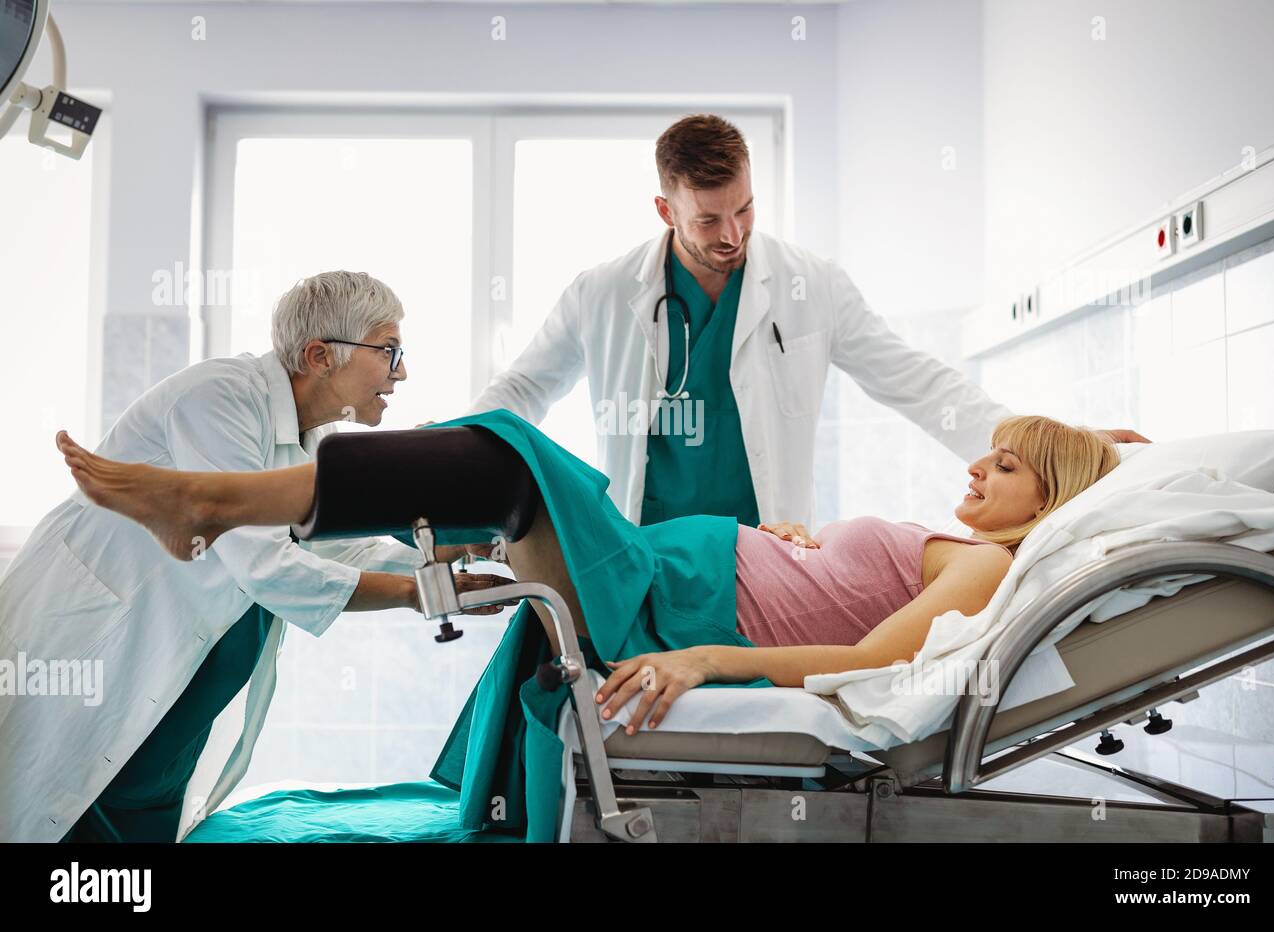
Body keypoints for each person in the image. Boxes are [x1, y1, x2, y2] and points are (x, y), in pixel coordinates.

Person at [53, 411, 1117, 738]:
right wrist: (797, 538)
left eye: (1009, 464)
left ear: (1051, 498)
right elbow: (853, 592)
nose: (975, 466)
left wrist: (706, 655)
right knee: (486, 485)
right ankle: (214, 508)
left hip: (673, 599)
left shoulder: (983, 562)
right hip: (676, 568)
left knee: (505, 464)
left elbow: (874, 655)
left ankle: (204, 503)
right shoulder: (958, 539)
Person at [0, 270, 506, 843]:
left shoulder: (313, 439)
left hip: (179, 679)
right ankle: (192, 504)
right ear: (320, 355)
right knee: (71, 822)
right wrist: (421, 593)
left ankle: (197, 505)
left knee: (138, 820)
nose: (403, 370)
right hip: (97, 653)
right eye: (389, 351)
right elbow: (264, 564)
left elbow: (336, 545)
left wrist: (445, 564)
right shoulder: (219, 397)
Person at [469, 113, 1147, 529]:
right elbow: (524, 389)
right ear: (664, 210)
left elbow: (917, 383)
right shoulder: (602, 291)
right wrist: (445, 461)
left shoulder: (809, 285)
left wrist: (1047, 446)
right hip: (644, 545)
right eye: (708, 219)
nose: (732, 233)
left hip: (767, 550)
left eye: (745, 208)